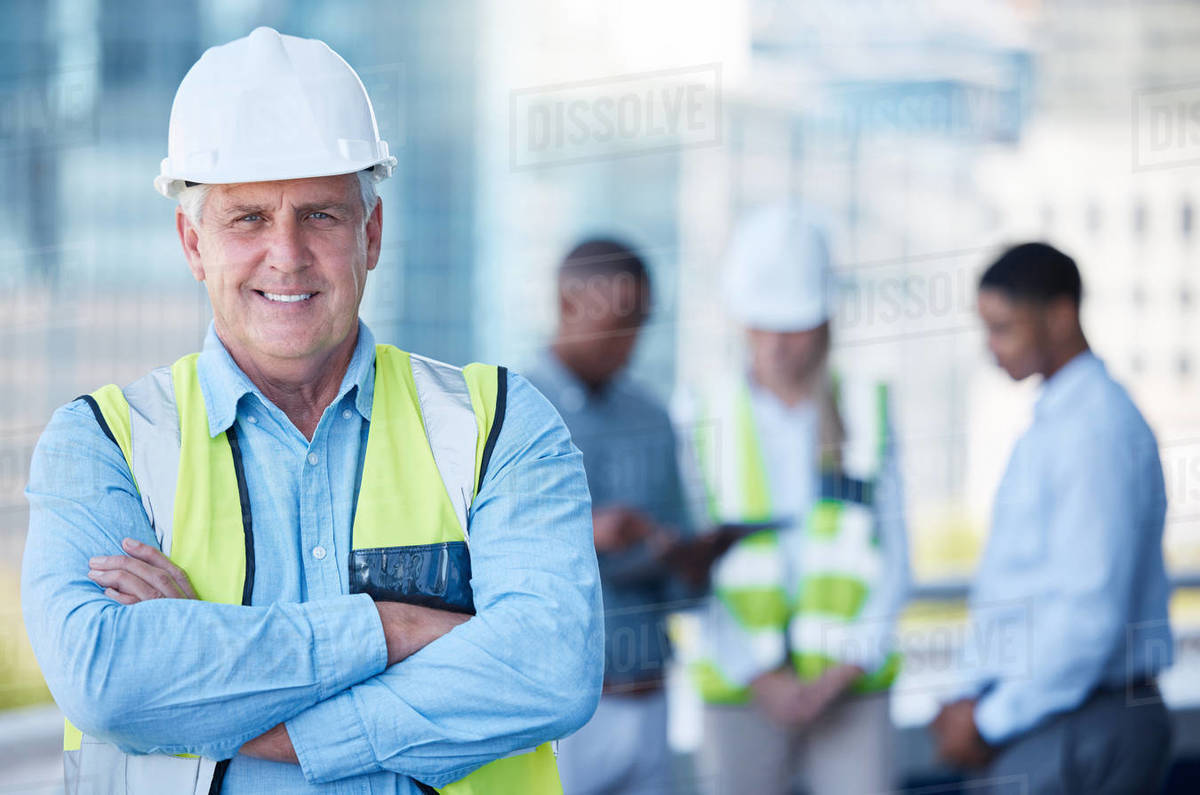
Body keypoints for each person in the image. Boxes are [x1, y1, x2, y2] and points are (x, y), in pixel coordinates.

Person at [21, 27, 602, 795]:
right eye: (249, 218)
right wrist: (392, 628)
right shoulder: (102, 444)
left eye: (321, 216)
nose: (288, 255)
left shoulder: (497, 425)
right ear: (194, 244)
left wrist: (223, 685)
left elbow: (554, 667)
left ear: (373, 233)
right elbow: (107, 681)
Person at [930, 242, 1174, 793]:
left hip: (1083, 721)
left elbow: (1088, 619)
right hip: (1046, 716)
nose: (991, 349)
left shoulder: (1094, 431)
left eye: (1003, 328)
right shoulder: (1062, 421)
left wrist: (986, 720)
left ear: (1061, 316)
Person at [682, 204, 909, 795]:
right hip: (741, 691)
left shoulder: (868, 408)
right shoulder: (701, 417)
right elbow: (689, 565)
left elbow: (897, 556)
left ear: (826, 321)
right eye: (762, 324)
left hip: (852, 689)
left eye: (793, 326)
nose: (777, 344)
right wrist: (758, 674)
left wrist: (843, 670)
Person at [524, 238, 699, 795]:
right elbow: (469, 553)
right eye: (618, 319)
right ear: (566, 303)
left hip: (650, 698)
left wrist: (690, 556)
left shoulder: (653, 415)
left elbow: (686, 572)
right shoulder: (509, 406)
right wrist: (587, 535)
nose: (630, 341)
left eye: (640, 322)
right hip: (559, 714)